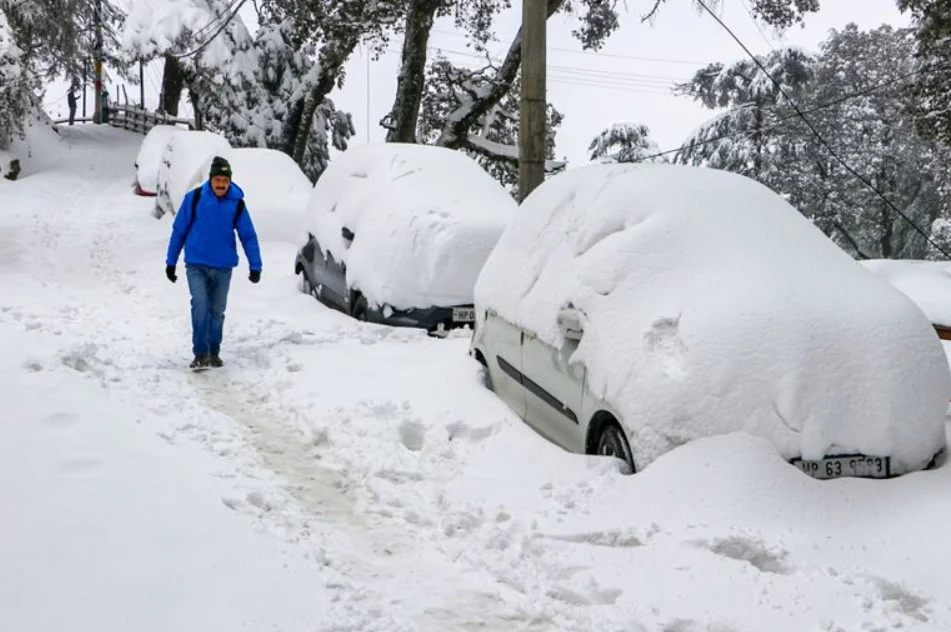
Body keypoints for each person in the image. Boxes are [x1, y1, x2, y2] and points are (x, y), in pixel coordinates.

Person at [165, 156, 262, 369]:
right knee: (200, 304)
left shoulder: (237, 204)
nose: (220, 185)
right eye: (217, 179)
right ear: (210, 179)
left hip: (223, 266)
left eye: (224, 181)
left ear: (230, 181)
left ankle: (214, 351)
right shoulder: (195, 198)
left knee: (217, 311)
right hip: (196, 263)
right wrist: (171, 262)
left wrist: (256, 265)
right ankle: (200, 352)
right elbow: (179, 230)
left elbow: (248, 235)